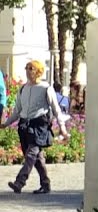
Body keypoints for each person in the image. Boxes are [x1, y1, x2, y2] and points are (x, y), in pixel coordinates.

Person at [3, 60, 67, 194]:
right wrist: (6, 123)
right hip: (25, 126)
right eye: (26, 68)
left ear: (38, 71)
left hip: (39, 126)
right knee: (37, 157)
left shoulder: (46, 88)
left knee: (31, 155)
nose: (27, 70)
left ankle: (19, 182)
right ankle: (45, 184)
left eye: (31, 68)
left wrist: (62, 127)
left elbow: (56, 109)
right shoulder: (23, 89)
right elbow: (17, 111)